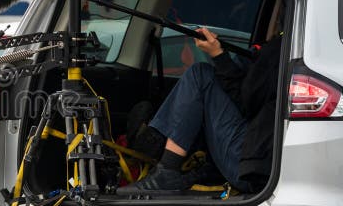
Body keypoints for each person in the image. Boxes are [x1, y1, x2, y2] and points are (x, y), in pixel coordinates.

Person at [117, 27, 282, 194]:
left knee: (200, 75)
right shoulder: (281, 50)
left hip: (253, 170)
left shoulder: (281, 49)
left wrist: (218, 55)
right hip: (253, 161)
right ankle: (160, 144)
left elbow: (248, 102)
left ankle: (166, 167)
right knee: (207, 77)